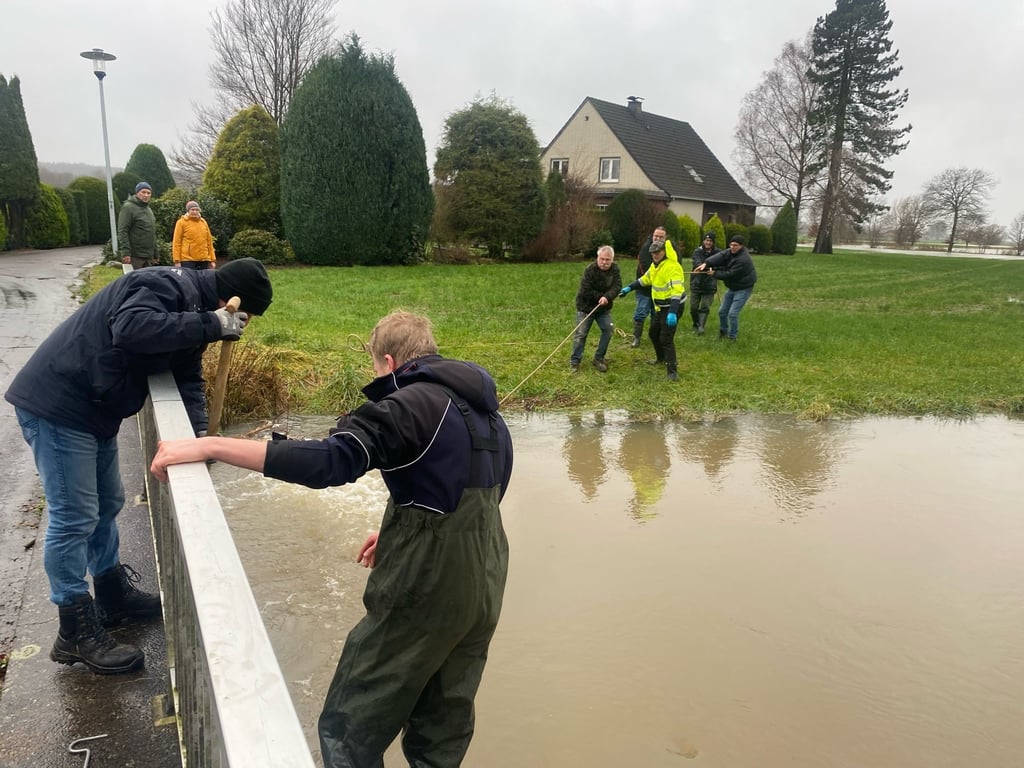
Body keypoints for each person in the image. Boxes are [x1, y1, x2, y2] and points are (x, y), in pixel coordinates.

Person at [149, 310, 513, 768]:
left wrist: (212, 446)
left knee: (348, 730)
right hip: (486, 581)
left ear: (386, 360)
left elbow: (330, 462)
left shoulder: (410, 404)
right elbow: (478, 492)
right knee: (440, 731)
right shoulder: (485, 413)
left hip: (428, 589)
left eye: (375, 369)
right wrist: (402, 527)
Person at [5, 258, 273, 675]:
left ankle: (112, 594)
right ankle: (73, 629)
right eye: (244, 316)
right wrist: (210, 323)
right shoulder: (166, 286)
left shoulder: (195, 314)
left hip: (94, 410)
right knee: (73, 517)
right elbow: (131, 330)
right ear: (229, 300)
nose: (242, 323)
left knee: (108, 502)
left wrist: (200, 442)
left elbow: (186, 380)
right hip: (60, 404)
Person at [620, 240, 686, 380]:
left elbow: (677, 291)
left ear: (664, 252)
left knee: (666, 338)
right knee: (653, 333)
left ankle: (672, 371)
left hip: (673, 305)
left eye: (658, 252)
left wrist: (673, 312)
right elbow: (645, 279)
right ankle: (661, 358)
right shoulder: (655, 266)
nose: (655, 255)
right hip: (661, 307)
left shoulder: (673, 267)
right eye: (653, 253)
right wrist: (629, 288)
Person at [695, 234, 757, 341]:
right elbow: (720, 256)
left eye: (735, 245)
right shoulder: (729, 251)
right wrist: (706, 263)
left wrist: (714, 273)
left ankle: (732, 337)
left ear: (741, 246)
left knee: (732, 314)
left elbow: (729, 274)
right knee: (722, 311)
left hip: (743, 288)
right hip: (733, 287)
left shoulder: (743, 259)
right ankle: (723, 332)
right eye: (731, 245)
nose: (732, 247)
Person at [570, 244, 621, 372]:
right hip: (585, 307)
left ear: (612, 260)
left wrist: (607, 297)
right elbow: (585, 290)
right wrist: (600, 297)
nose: (604, 262)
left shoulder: (615, 269)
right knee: (581, 334)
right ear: (597, 258)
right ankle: (575, 361)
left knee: (608, 330)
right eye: (602, 259)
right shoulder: (590, 270)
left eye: (607, 260)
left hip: (603, 309)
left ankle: (599, 358)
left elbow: (617, 286)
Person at [631, 225, 679, 348]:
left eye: (660, 236)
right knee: (640, 313)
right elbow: (645, 268)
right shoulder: (646, 248)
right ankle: (636, 338)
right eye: (655, 235)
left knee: (655, 314)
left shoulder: (670, 247)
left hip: (660, 292)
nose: (657, 238)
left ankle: (654, 337)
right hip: (645, 289)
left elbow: (677, 262)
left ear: (665, 237)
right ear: (652, 236)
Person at [117, 181, 158, 270]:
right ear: (137, 193)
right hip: (135, 256)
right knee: (134, 282)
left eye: (148, 193)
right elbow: (123, 230)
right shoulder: (128, 208)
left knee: (147, 282)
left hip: (148, 256)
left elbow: (151, 232)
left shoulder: (149, 210)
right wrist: (126, 253)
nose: (146, 195)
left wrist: (155, 253)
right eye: (143, 192)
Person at [689, 233, 720, 335]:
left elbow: (721, 265)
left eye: (710, 241)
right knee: (693, 307)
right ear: (703, 241)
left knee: (705, 306)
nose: (708, 242)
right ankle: (696, 323)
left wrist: (714, 270)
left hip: (710, 285)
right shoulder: (697, 251)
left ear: (713, 242)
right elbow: (696, 262)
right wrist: (705, 267)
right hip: (696, 283)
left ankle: (701, 327)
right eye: (706, 240)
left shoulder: (718, 253)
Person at [172, 200, 217, 270]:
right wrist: (177, 261)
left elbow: (209, 242)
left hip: (203, 259)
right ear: (188, 210)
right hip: (188, 260)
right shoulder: (181, 223)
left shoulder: (203, 222)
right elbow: (177, 242)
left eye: (197, 210)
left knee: (203, 280)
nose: (195, 212)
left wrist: (212, 260)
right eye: (192, 210)